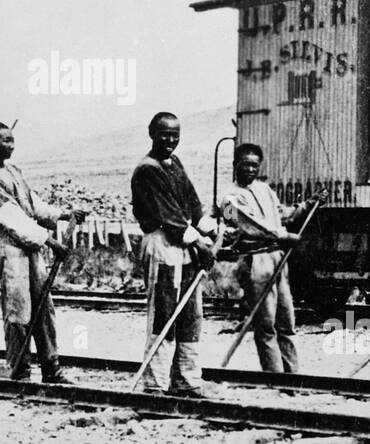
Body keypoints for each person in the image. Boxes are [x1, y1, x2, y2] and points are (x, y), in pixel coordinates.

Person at [0, 121, 86, 382]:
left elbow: (32, 204)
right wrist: (50, 241)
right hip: (11, 247)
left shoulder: (13, 171)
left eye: (12, 140)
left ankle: (51, 367)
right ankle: (20, 369)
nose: (10, 145)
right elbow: (12, 218)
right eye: (4, 140)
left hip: (32, 247)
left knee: (43, 307)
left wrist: (63, 214)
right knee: (18, 311)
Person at [130, 112, 220, 399]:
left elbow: (192, 204)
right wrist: (201, 242)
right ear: (152, 133)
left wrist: (211, 229)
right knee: (164, 315)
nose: (170, 140)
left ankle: (187, 380)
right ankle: (155, 385)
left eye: (175, 134)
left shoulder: (175, 163)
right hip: (163, 243)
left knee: (190, 315)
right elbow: (169, 218)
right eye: (164, 134)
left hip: (186, 245)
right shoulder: (148, 169)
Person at [220, 144, 324, 374]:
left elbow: (281, 214)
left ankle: (293, 377)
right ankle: (275, 377)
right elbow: (250, 225)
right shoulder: (228, 199)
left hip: (278, 257)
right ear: (235, 164)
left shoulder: (265, 189)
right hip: (255, 260)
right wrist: (283, 236)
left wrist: (308, 204)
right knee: (266, 324)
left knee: (287, 321)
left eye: (254, 165)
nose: (250, 169)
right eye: (245, 164)